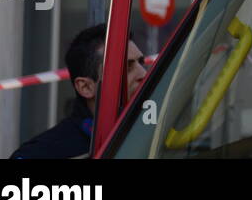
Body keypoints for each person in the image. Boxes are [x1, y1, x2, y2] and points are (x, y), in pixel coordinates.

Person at [10, 24, 148, 159]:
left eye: (141, 63)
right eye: (126, 68)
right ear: (86, 87)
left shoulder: (157, 135)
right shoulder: (39, 154)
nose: (144, 74)